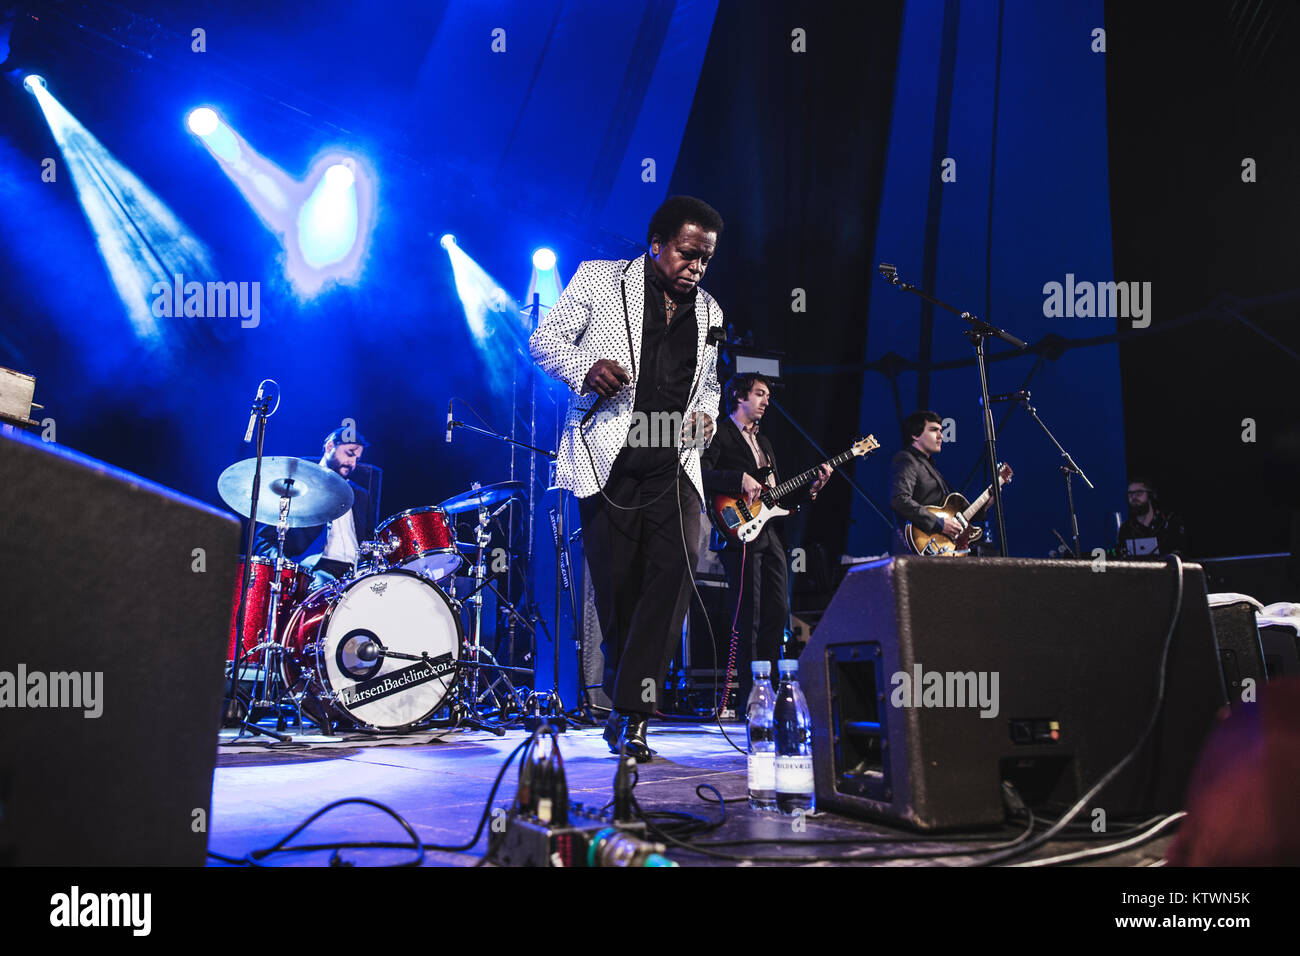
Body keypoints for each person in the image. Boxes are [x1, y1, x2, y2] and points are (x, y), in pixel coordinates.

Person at [528, 195, 726, 761]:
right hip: (605, 459)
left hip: (674, 462)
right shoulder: (597, 279)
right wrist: (582, 369)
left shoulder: (711, 312)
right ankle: (620, 703)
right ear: (656, 243)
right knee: (619, 591)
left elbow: (708, 384)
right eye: (688, 255)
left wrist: (706, 416)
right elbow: (544, 342)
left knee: (676, 572)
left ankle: (636, 716)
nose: (697, 267)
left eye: (706, 259)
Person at [702, 372, 831, 707]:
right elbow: (700, 473)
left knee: (777, 610)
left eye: (768, 396)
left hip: (771, 533)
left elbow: (775, 496)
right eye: (759, 394)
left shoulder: (766, 443)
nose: (766, 401)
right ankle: (750, 697)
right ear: (739, 396)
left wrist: (812, 489)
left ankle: (770, 690)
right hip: (739, 531)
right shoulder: (720, 432)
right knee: (750, 615)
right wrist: (738, 478)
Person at [254, 426, 376, 587]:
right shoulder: (298, 485)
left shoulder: (361, 495)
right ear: (330, 446)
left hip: (358, 571)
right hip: (318, 569)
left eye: (357, 459)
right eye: (350, 453)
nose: (352, 463)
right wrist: (287, 568)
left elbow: (370, 540)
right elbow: (263, 541)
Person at [888, 410, 963, 554]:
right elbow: (899, 499)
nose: (941, 436)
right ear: (915, 435)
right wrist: (939, 524)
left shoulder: (928, 465)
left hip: (936, 546)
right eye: (934, 430)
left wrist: (986, 502)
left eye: (941, 430)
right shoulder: (906, 459)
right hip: (915, 547)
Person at [1116, 476, 1187, 557]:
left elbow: (1180, 553)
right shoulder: (1126, 529)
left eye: (1139, 493)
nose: (1134, 497)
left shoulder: (1169, 522)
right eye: (1130, 494)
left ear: (1150, 495)